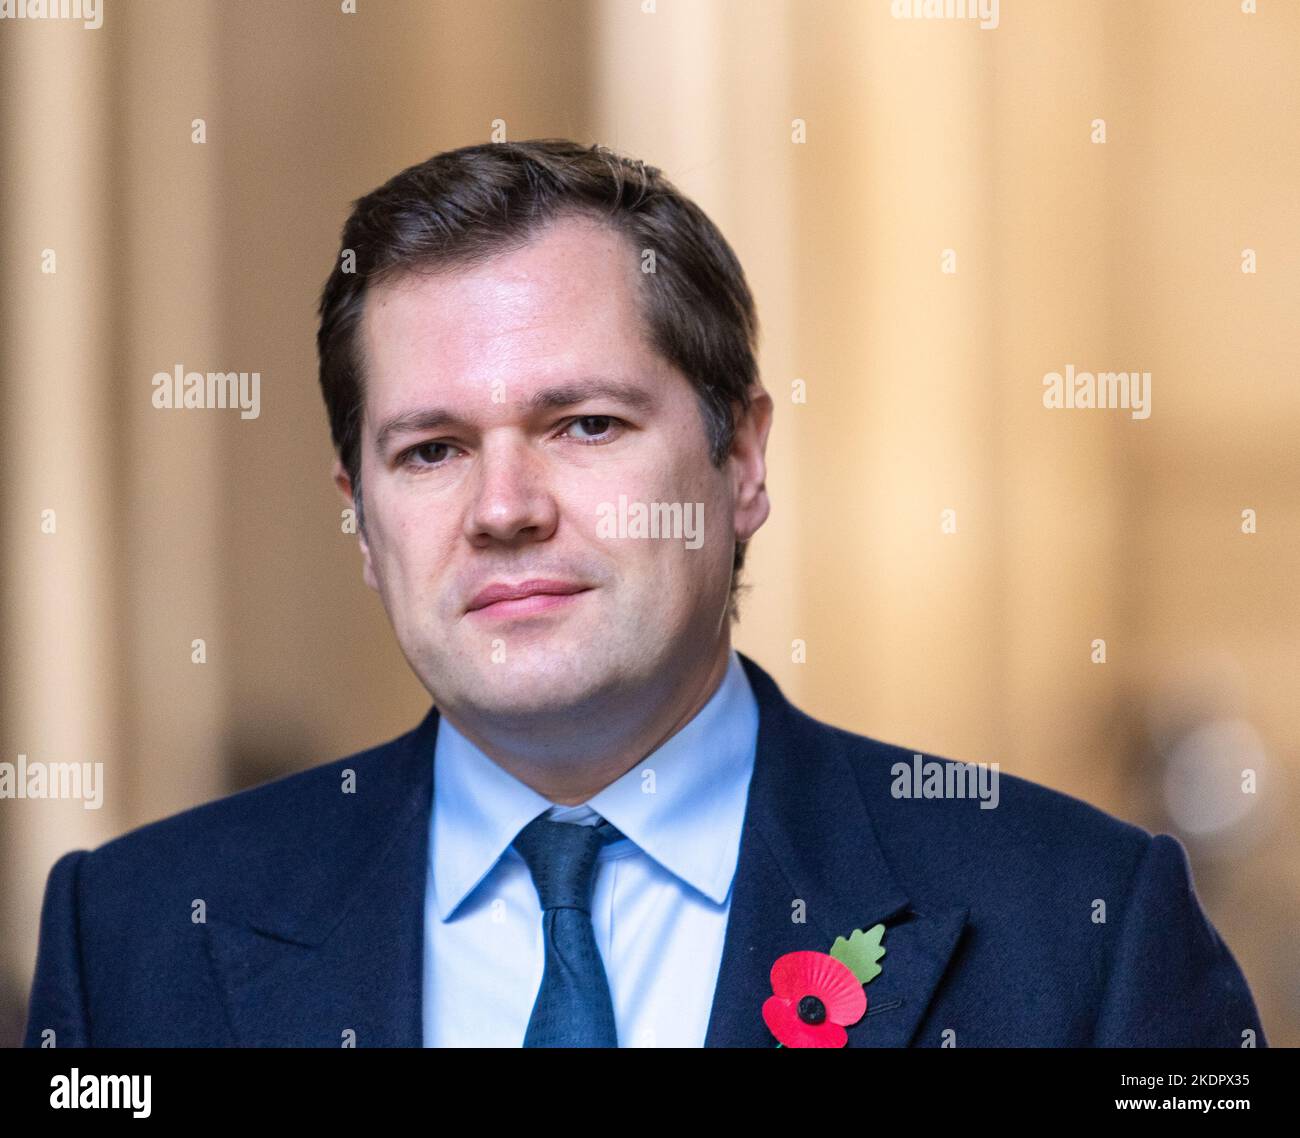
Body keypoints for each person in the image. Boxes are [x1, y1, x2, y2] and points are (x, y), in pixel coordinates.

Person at [24, 140, 1266, 1048]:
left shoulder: (1079, 928)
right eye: (431, 450)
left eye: (584, 423)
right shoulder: (135, 937)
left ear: (740, 462)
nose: (504, 507)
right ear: (359, 513)